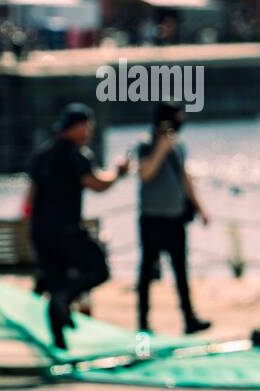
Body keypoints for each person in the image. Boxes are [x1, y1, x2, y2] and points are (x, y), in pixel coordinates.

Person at [27, 103, 130, 349]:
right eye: (88, 126)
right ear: (78, 127)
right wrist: (119, 173)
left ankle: (60, 345)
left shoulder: (41, 155)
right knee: (99, 270)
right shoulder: (77, 155)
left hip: (40, 232)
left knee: (56, 282)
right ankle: (64, 299)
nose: (89, 132)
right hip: (66, 230)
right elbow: (97, 184)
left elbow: (29, 200)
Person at [136, 103, 210, 335]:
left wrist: (200, 208)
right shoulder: (145, 145)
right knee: (147, 271)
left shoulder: (179, 147)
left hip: (175, 219)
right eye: (177, 117)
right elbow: (145, 173)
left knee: (180, 271)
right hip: (152, 219)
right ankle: (143, 323)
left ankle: (189, 319)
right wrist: (161, 148)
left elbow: (185, 179)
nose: (181, 121)